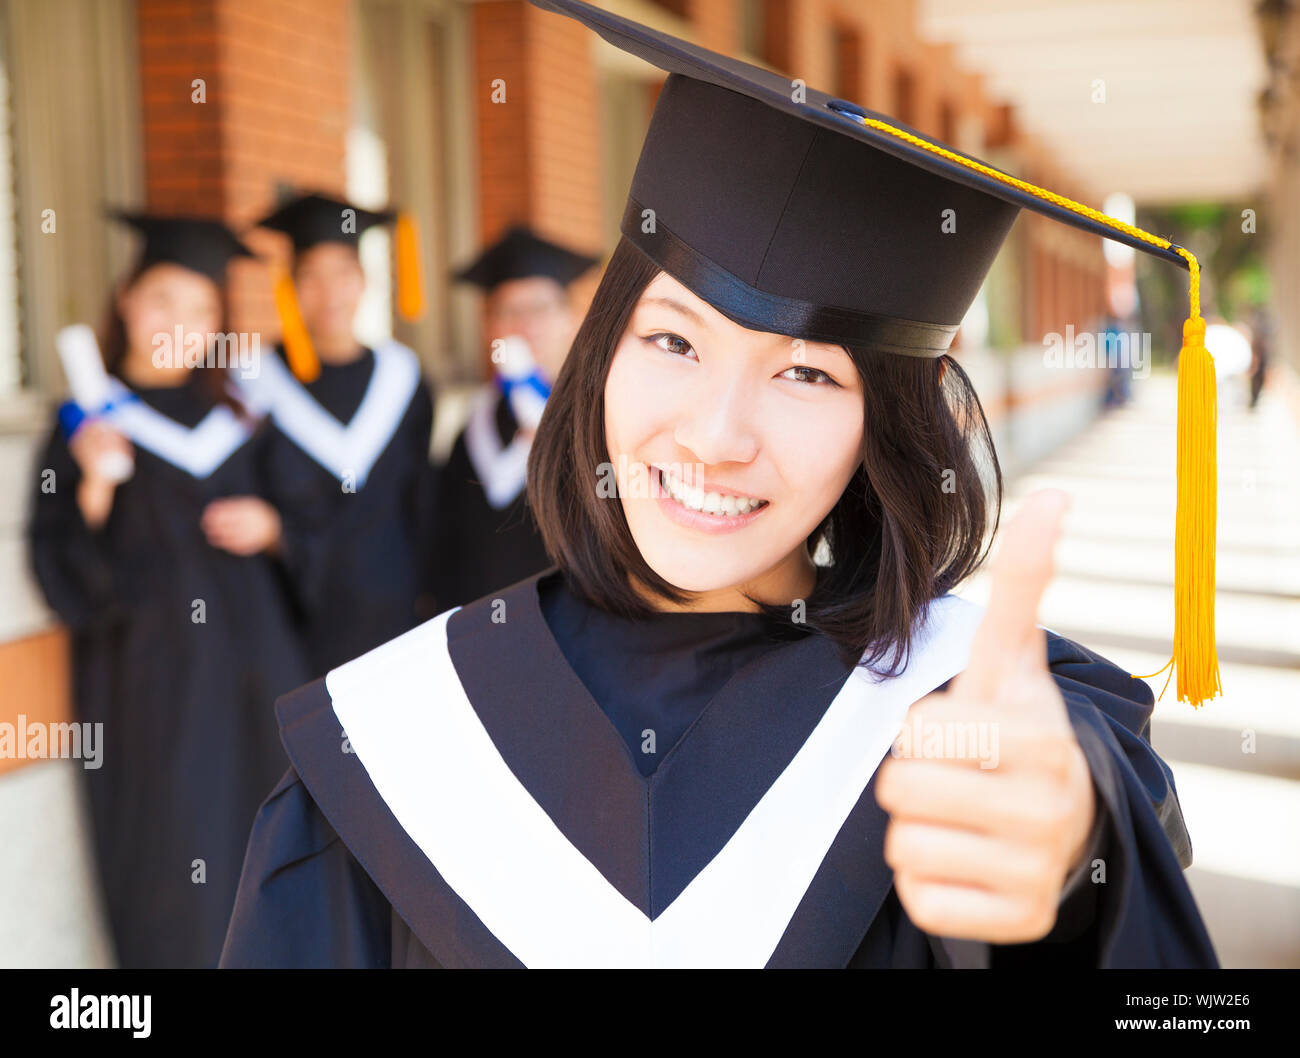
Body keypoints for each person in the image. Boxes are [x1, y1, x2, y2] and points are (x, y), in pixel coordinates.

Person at [221, 0, 1219, 968]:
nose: (713, 434)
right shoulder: (393, 741)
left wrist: (1072, 868)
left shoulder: (978, 713)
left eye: (805, 372)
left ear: (887, 427)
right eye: (671, 339)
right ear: (603, 348)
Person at [28, 211, 308, 968]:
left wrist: (273, 525)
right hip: (152, 694)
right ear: (124, 300)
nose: (177, 322)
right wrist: (91, 482)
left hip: (258, 682)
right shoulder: (84, 423)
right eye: (162, 300)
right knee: (175, 870)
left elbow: (318, 538)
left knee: (270, 855)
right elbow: (63, 573)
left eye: (198, 307)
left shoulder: (241, 416)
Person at [241, 191, 437, 675]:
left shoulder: (404, 378)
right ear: (288, 285)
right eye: (311, 275)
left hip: (395, 618)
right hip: (292, 625)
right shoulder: (253, 385)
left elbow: (423, 502)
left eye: (342, 274)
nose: (329, 293)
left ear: (365, 281)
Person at [431, 226, 599, 610]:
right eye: (508, 312)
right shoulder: (474, 431)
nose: (524, 325)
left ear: (571, 318)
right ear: (490, 327)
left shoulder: (603, 415)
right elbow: (445, 547)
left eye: (540, 309)